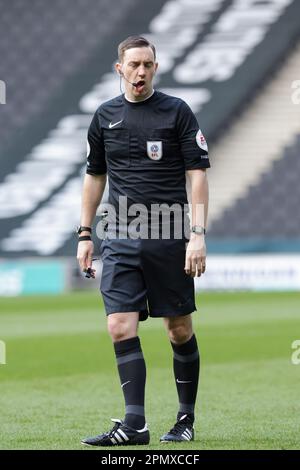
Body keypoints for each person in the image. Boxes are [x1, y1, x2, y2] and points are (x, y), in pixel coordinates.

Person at [77, 36, 210, 446]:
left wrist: (197, 234)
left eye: (147, 65)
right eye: (133, 64)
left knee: (179, 330)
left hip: (169, 234)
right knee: (119, 325)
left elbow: (198, 173)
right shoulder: (104, 117)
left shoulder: (177, 112)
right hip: (119, 233)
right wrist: (85, 232)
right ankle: (135, 426)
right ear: (119, 68)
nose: (140, 72)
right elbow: (95, 176)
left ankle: (184, 419)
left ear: (155, 67)